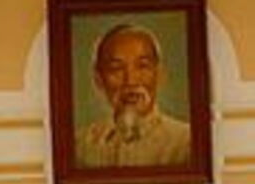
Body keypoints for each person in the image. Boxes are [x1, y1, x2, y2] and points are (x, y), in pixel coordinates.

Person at [74, 23, 191, 168]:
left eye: (142, 66)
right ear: (98, 79)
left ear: (160, 74)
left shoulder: (186, 142)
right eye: (116, 69)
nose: (130, 81)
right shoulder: (80, 146)